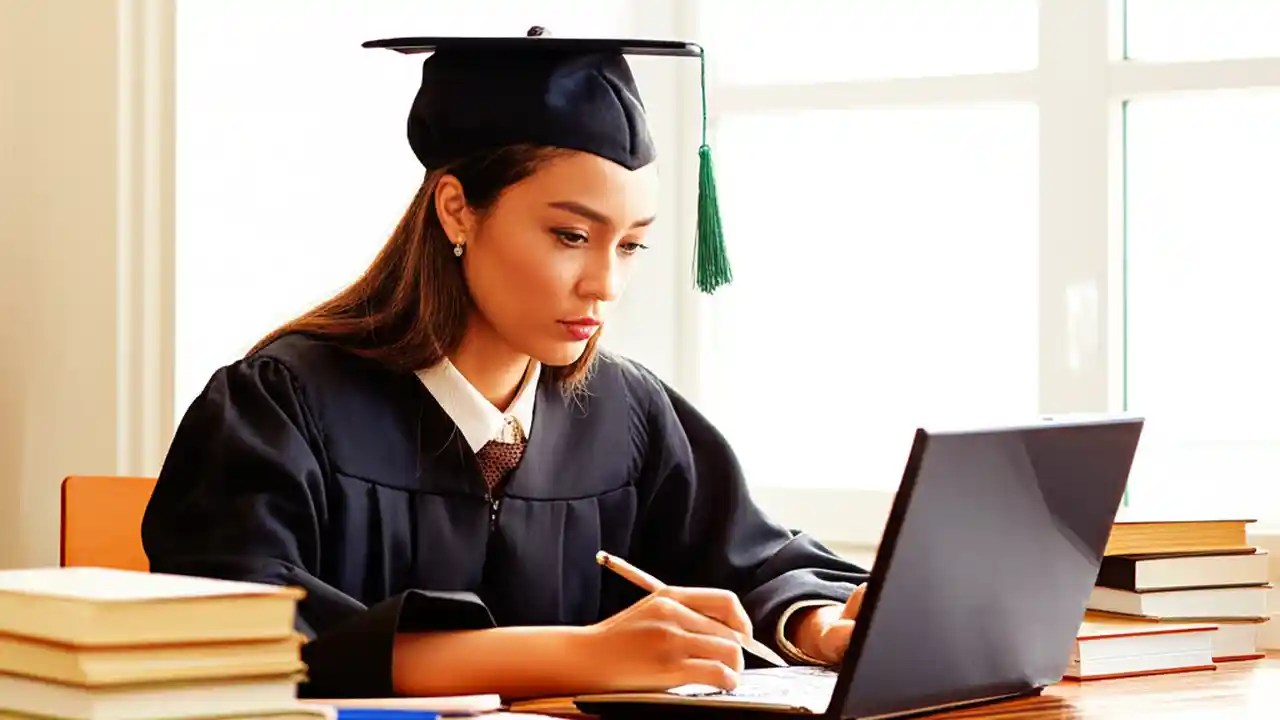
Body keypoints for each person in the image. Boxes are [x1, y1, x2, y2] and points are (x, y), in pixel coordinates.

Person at [141, 28, 869, 700]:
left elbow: (753, 559)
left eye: (631, 245)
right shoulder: (280, 408)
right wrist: (579, 655)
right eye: (571, 234)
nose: (604, 285)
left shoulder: (628, 416)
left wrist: (814, 626)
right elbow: (240, 638)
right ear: (456, 209)